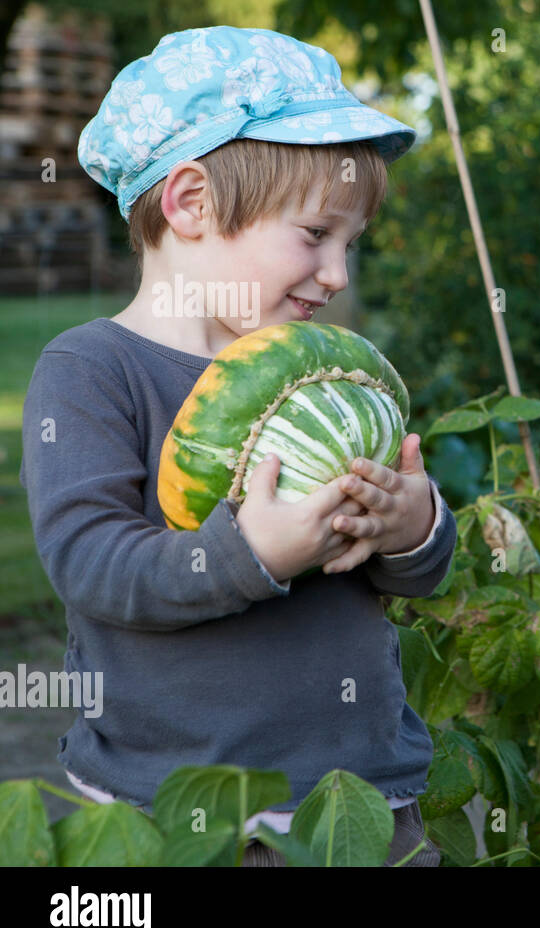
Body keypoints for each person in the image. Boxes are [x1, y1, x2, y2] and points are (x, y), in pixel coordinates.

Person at [20, 26, 456, 866]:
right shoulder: (94, 370)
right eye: (315, 235)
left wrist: (410, 526)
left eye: (349, 246)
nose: (335, 274)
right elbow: (90, 561)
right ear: (190, 204)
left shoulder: (327, 378)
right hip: (182, 810)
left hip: (363, 799)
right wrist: (249, 552)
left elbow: (407, 570)